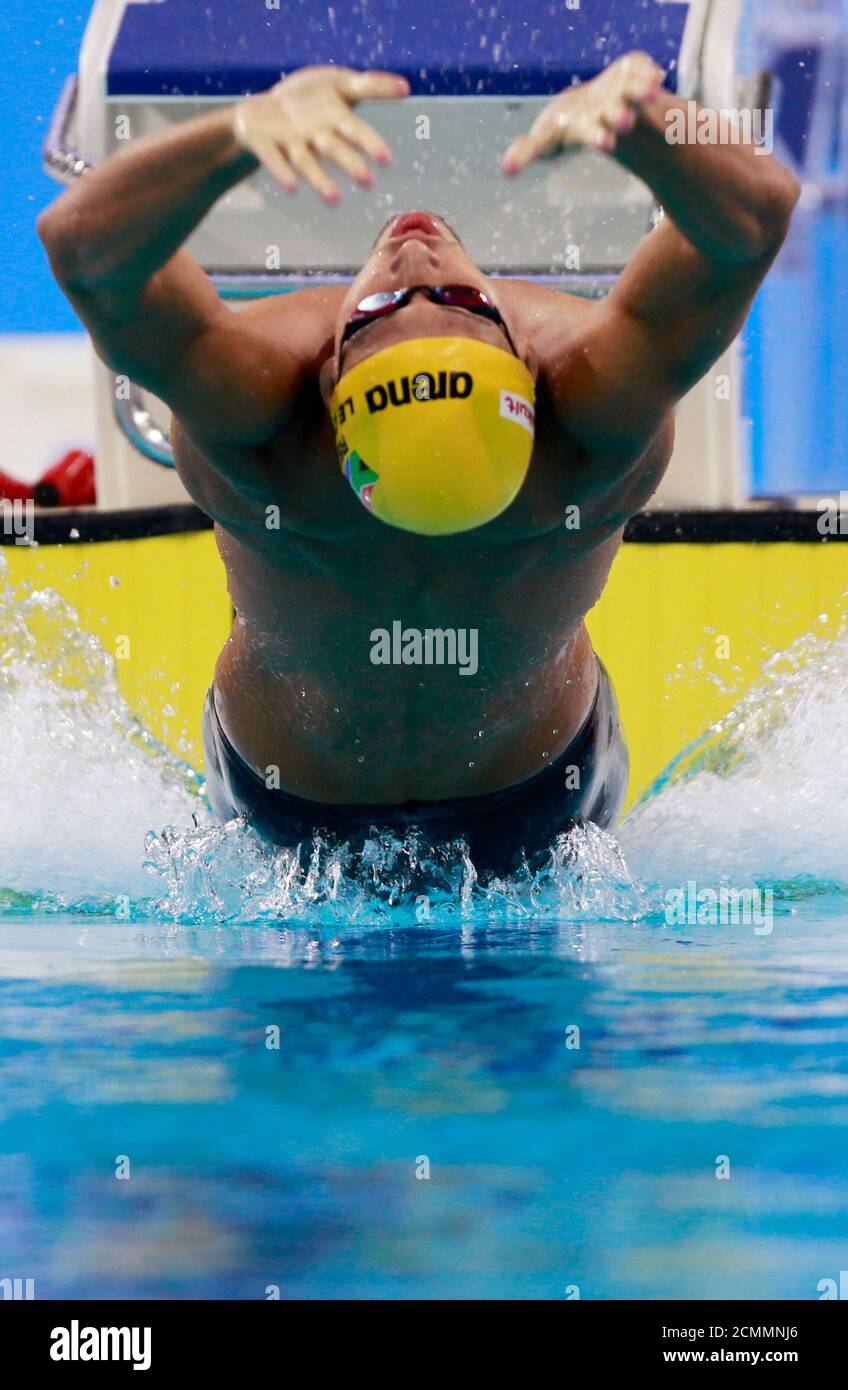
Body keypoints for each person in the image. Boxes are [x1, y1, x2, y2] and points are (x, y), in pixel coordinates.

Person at [38, 54, 799, 878]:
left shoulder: (286, 423)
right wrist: (639, 125)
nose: (419, 266)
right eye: (375, 312)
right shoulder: (578, 421)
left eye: (451, 303)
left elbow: (85, 249)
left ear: (522, 357)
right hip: (306, 796)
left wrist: (238, 135)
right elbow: (754, 218)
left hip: (532, 794)